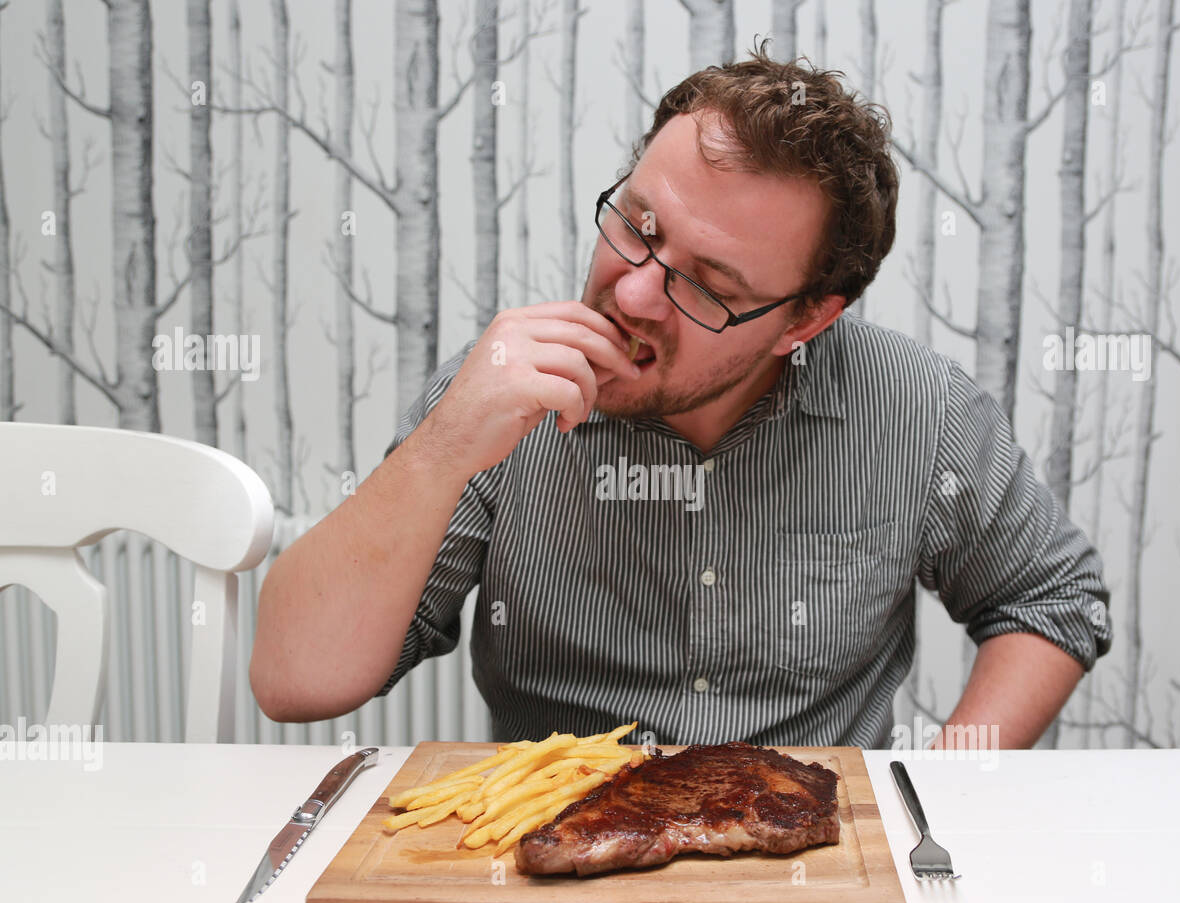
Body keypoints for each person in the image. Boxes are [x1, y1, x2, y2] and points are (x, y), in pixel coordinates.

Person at [250, 41, 1112, 751]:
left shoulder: (918, 409)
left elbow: (1050, 598)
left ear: (804, 319)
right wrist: (442, 445)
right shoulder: (500, 392)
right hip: (561, 874)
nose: (632, 296)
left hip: (804, 880)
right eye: (639, 227)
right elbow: (292, 680)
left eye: (710, 285)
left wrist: (953, 782)